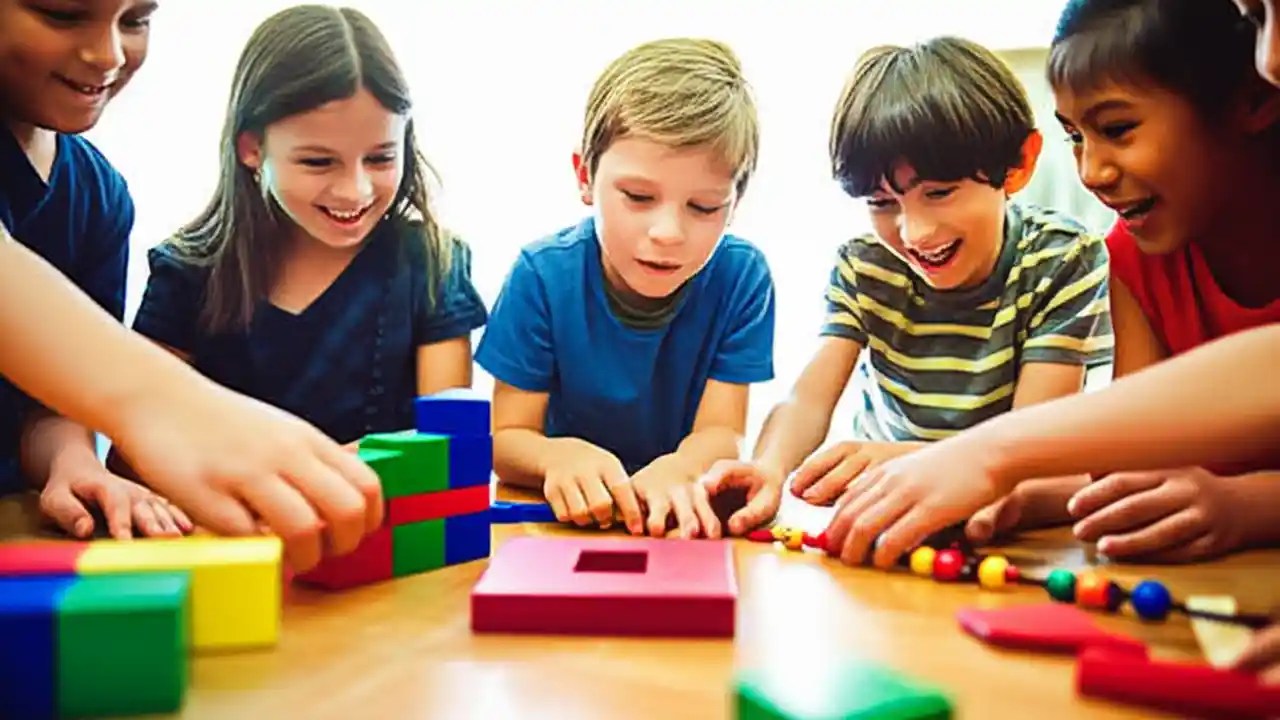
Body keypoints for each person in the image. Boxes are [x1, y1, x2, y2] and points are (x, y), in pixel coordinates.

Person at [702, 36, 1112, 537]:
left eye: (939, 193)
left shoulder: (1061, 260)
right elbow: (808, 398)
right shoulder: (866, 266)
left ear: (1018, 165)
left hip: (1003, 514)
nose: (914, 233)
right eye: (882, 203)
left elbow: (1029, 442)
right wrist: (769, 466)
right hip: (886, 514)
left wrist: (912, 459)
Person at [127, 5, 487, 459]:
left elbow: (451, 446)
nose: (355, 190)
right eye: (318, 161)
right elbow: (137, 453)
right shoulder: (187, 271)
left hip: (388, 509)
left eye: (380, 158)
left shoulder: (433, 262)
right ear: (251, 148)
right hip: (227, 506)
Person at [475, 38, 775, 540]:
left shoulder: (741, 277)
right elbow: (506, 438)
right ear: (585, 176)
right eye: (638, 196)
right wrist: (554, 456)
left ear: (735, 203)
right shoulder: (541, 275)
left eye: (704, 207)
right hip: (560, 528)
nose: (668, 233)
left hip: (676, 529)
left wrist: (683, 466)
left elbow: (723, 431)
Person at [0, 0, 185, 539]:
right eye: (63, 14)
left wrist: (72, 460)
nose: (108, 55)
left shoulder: (100, 196)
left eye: (135, 20)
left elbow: (56, 399)